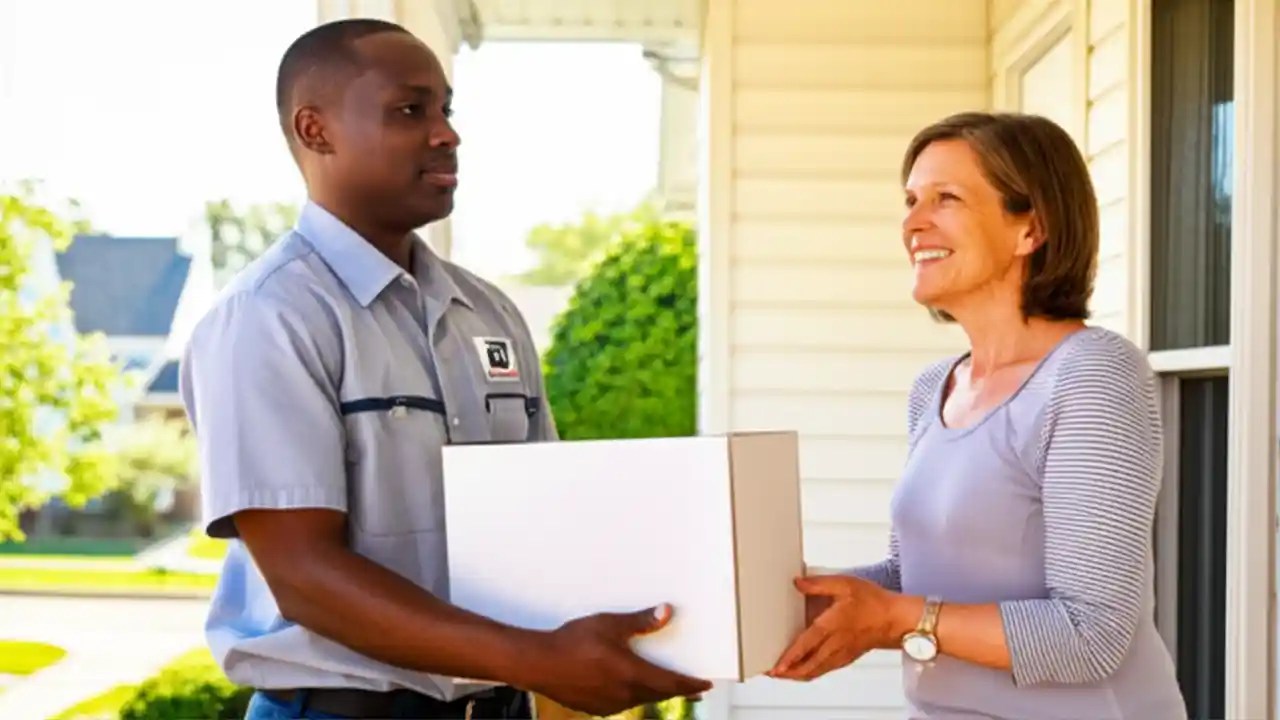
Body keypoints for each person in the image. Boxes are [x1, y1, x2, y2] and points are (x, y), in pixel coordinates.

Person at [179, 18, 711, 720]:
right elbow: (306, 577)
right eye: (410, 110)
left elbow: (546, 521)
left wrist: (675, 621)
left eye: (445, 110)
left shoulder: (489, 314)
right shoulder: (269, 319)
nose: (446, 134)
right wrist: (538, 660)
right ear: (316, 131)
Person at [766, 112, 1186, 720]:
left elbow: (1091, 634)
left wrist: (890, 619)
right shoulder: (935, 387)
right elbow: (913, 573)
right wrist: (793, 599)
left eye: (946, 198)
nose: (913, 223)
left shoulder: (1092, 373)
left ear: (1030, 229)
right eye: (910, 200)